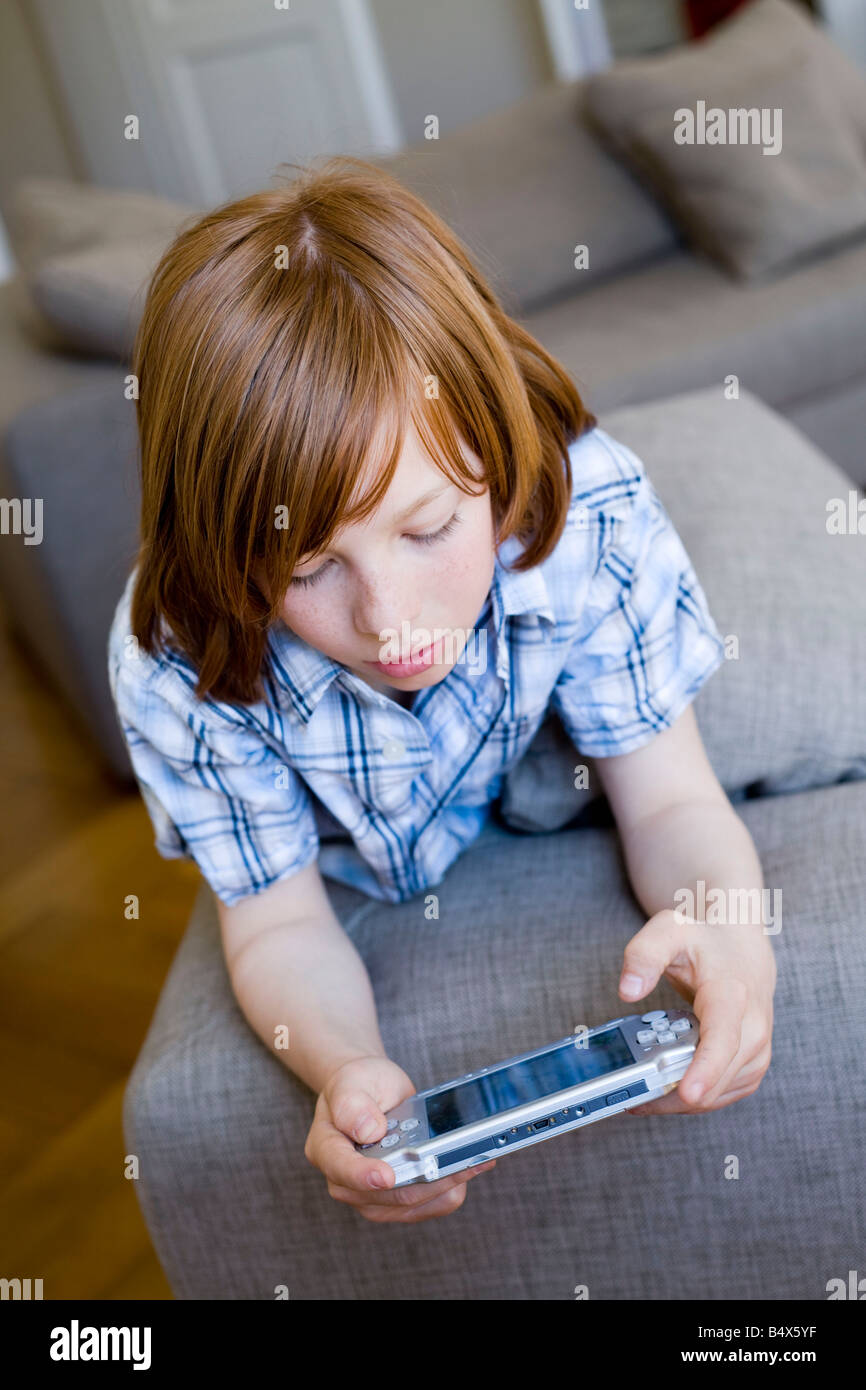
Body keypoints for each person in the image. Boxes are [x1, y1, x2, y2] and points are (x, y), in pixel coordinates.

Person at [108, 156, 776, 1227]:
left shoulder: (590, 517)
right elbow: (275, 925)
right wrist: (343, 1069)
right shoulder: (173, 654)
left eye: (427, 530)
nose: (390, 621)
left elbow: (670, 799)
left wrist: (730, 932)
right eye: (310, 570)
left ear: (497, 446)